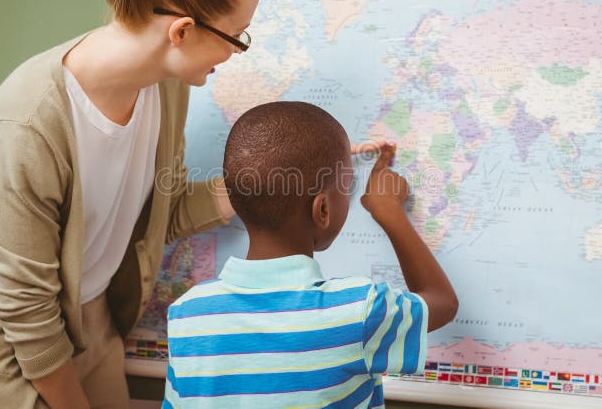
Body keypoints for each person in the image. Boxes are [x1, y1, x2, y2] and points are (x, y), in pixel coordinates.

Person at [0, 0, 262, 407]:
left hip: (92, 325)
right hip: (3, 357)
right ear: (181, 31)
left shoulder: (168, 85)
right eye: (236, 36)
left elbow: (159, 213)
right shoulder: (29, 124)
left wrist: (264, 180)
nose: (235, 51)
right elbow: (26, 310)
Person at [164, 101, 459, 408]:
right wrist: (388, 210)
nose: (350, 191)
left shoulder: (187, 315)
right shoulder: (358, 312)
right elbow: (442, 301)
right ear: (323, 210)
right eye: (348, 185)